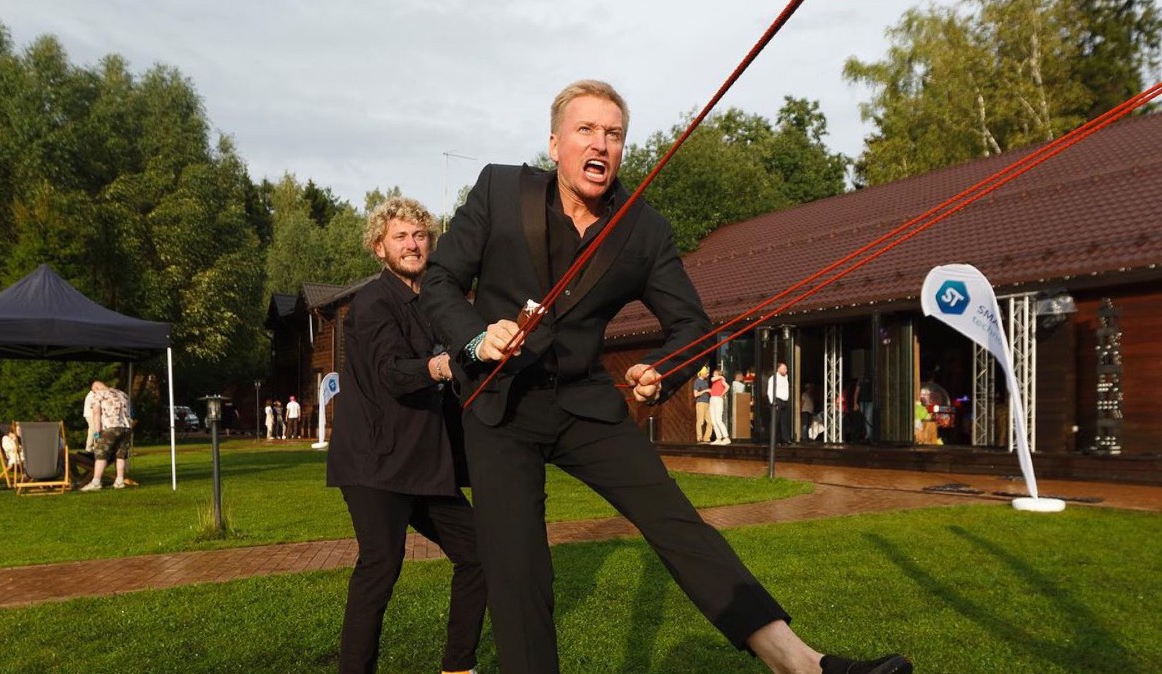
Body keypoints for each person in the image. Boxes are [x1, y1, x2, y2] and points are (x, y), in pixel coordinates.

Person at [421, 79, 911, 674]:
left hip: (585, 405)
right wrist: (476, 338)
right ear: (554, 144)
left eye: (613, 134)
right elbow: (440, 280)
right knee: (517, 564)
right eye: (585, 129)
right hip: (499, 402)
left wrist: (664, 370)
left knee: (678, 522)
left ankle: (802, 664)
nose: (600, 143)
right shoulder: (499, 190)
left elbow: (692, 325)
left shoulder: (644, 229)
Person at [327, 196, 485, 674]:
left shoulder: (434, 303)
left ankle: (457, 667)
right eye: (400, 236)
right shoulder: (373, 304)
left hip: (424, 465)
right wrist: (439, 366)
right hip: (374, 463)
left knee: (479, 553)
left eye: (419, 235)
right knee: (381, 567)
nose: (412, 244)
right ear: (380, 248)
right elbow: (392, 372)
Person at [80, 380, 133, 491]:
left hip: (110, 427)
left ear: (95, 388)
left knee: (101, 455)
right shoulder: (123, 394)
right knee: (120, 455)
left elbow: (96, 413)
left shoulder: (99, 394)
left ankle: (96, 482)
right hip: (126, 428)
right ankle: (119, 481)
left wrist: (97, 432)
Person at [768, 362, 793, 445]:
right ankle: (773, 440)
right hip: (777, 400)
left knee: (784, 421)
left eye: (786, 368)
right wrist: (773, 402)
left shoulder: (786, 378)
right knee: (775, 421)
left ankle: (785, 439)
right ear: (778, 369)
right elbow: (770, 391)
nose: (786, 370)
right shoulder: (773, 378)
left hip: (785, 401)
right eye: (784, 368)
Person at [709, 367, 731, 445]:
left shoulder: (721, 380)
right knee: (713, 421)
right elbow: (712, 379)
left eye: (715, 373)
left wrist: (722, 394)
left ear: (718, 374)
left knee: (718, 420)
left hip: (718, 399)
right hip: (712, 399)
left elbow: (727, 387)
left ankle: (726, 438)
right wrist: (721, 376)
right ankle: (718, 438)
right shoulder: (716, 380)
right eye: (713, 373)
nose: (713, 374)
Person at [692, 366, 713, 443]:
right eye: (706, 373)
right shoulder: (697, 382)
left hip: (707, 403)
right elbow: (695, 394)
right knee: (700, 421)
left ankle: (707, 438)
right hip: (700, 403)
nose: (708, 375)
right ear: (702, 374)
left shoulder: (705, 381)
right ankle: (699, 438)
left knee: (710, 422)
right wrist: (705, 390)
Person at [83, 387, 98, 452]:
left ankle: (89, 447)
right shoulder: (92, 396)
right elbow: (94, 406)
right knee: (95, 431)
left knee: (91, 431)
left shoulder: (91, 395)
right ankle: (94, 446)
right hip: (91, 415)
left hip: (90, 415)